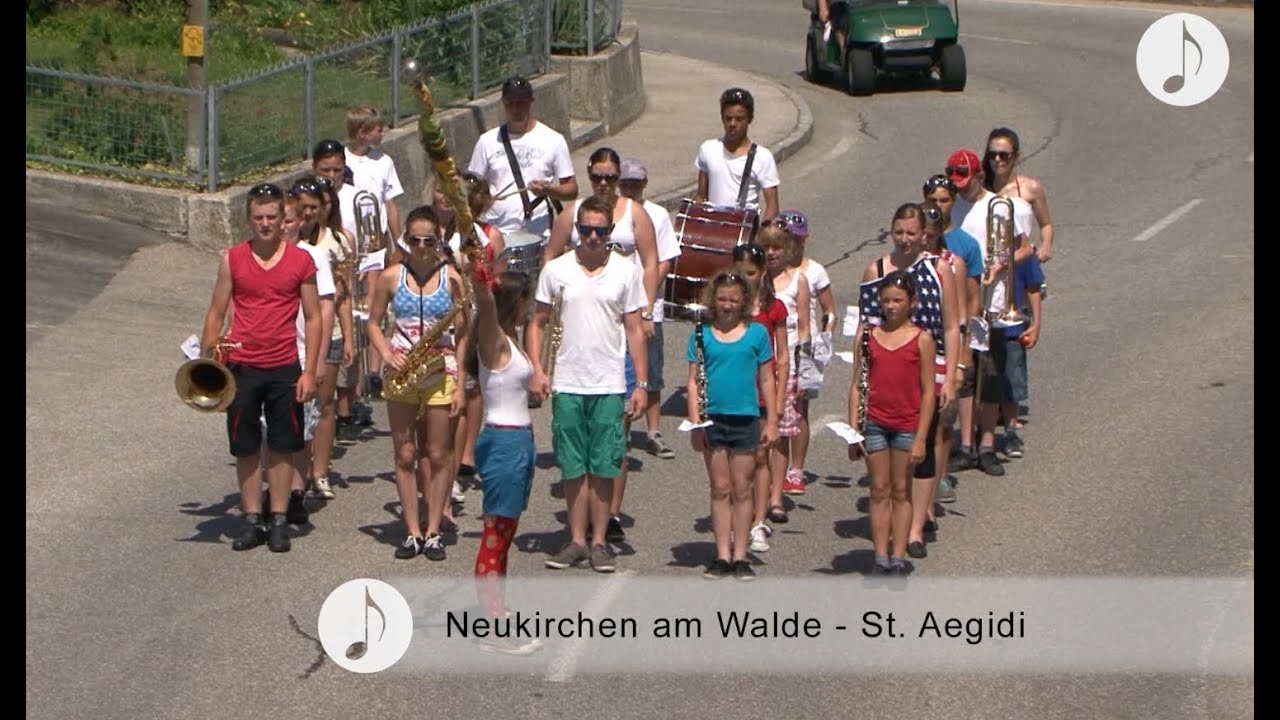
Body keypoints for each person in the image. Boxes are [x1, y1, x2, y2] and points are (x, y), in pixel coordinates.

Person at [527, 196, 649, 574]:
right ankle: (576, 539)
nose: (593, 237)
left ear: (611, 232)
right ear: (576, 230)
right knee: (572, 466)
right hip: (567, 380)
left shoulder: (626, 272)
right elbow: (537, 322)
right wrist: (537, 368)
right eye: (586, 230)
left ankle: (599, 541)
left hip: (608, 382)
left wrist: (641, 383)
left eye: (600, 230)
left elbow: (634, 329)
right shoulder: (557, 270)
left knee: (604, 465)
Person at [545, 147, 659, 544]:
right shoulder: (570, 215)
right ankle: (582, 531)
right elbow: (551, 260)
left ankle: (608, 517)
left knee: (614, 439)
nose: (605, 183)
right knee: (577, 455)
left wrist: (644, 314)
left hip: (621, 328)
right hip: (576, 347)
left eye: (612, 177)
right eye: (598, 177)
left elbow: (651, 262)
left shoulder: (634, 215)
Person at [200, 183, 321, 553]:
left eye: (272, 217)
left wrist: (310, 372)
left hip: (284, 364)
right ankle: (252, 518)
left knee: (285, 446)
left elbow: (314, 318)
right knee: (246, 446)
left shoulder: (301, 261)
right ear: (249, 219)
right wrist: (208, 357)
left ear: (283, 218)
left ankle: (279, 518)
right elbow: (217, 311)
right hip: (241, 367)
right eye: (258, 218)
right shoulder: (233, 259)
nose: (266, 224)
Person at [365, 206, 470, 561]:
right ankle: (412, 531)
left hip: (440, 368)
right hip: (403, 370)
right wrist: (385, 353)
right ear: (405, 241)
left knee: (438, 453)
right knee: (405, 451)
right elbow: (374, 322)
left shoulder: (452, 278)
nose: (422, 247)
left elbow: (464, 329)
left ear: (438, 241)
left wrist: (460, 379)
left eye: (429, 240)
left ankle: (434, 529)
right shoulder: (391, 277)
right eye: (415, 240)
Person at [466, 262, 543, 656]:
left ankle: (498, 612)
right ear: (517, 300)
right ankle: (492, 628)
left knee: (505, 535)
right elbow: (484, 301)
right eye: (527, 299)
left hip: (519, 440)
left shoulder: (508, 338)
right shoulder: (492, 335)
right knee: (494, 537)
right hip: (503, 442)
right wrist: (480, 274)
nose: (532, 307)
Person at [944, 148, 1034, 476]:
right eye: (955, 181)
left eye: (965, 181)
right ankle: (966, 444)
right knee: (966, 376)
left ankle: (986, 444)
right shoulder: (950, 208)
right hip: (962, 304)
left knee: (993, 375)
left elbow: (1025, 247)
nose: (960, 188)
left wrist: (1000, 265)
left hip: (994, 301)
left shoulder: (999, 206)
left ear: (980, 176)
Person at [688, 271, 778, 581]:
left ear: (744, 303)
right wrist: (696, 422)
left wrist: (773, 421)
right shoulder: (702, 334)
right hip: (713, 419)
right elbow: (693, 380)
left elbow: (767, 378)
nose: (727, 305)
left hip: (746, 418)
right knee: (720, 488)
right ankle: (721, 554)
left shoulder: (756, 334)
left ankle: (741, 554)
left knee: (743, 489)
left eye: (733, 300)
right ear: (713, 299)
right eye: (722, 299)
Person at [847, 271, 937, 575]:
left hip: (907, 425)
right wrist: (852, 429)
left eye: (898, 300)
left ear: (912, 302)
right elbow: (857, 384)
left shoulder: (922, 339)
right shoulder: (869, 336)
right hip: (875, 422)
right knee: (878, 489)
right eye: (885, 300)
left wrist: (922, 437)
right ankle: (880, 555)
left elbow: (928, 393)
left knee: (901, 490)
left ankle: (899, 554)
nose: (891, 306)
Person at [467, 76, 578, 262]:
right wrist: (482, 200)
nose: (516, 109)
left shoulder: (554, 140)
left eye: (522, 103)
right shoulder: (487, 142)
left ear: (531, 102)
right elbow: (470, 187)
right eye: (511, 104)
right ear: (503, 103)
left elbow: (571, 189)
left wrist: (549, 189)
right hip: (497, 235)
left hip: (540, 236)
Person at [618, 158, 683, 462]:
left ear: (644, 184)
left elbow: (665, 260)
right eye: (625, 183)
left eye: (635, 183)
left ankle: (654, 431)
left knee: (652, 373)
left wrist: (644, 300)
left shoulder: (656, 215)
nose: (630, 189)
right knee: (622, 372)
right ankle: (623, 430)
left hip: (648, 306)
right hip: (617, 308)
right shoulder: (613, 213)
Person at [732, 242, 790, 549]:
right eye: (739, 272)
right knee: (734, 459)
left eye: (751, 273)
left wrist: (779, 401)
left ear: (762, 272)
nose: (745, 278)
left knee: (760, 456)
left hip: (763, 390)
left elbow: (782, 356)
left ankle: (758, 520)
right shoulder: (728, 306)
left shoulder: (772, 307)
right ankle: (736, 516)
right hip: (735, 390)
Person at [778, 210, 835, 493]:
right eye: (787, 239)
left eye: (797, 240)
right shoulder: (771, 272)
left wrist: (823, 345)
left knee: (799, 410)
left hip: (804, 350)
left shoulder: (814, 271)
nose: (793, 245)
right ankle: (775, 465)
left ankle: (796, 469)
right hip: (775, 352)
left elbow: (830, 311)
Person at [694, 87, 780, 221]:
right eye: (728, 118)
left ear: (749, 119)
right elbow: (701, 196)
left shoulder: (762, 157)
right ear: (722, 118)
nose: (732, 124)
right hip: (711, 230)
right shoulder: (708, 149)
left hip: (744, 232)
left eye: (739, 119)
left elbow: (772, 208)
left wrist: (760, 237)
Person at [983, 127, 1055, 263]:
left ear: (1016, 156)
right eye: (992, 155)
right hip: (989, 262)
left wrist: (1046, 245)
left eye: (1004, 155)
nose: (997, 159)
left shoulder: (1030, 188)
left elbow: (1046, 224)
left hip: (1022, 261)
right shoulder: (980, 188)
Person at [999, 253, 1045, 459]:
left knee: (1013, 377)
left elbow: (1033, 286)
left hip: (1013, 323)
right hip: (985, 323)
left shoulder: (1022, 249)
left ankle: (1010, 431)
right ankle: (980, 434)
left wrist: (1035, 324)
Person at [345, 106, 404, 241]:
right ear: (362, 133)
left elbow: (390, 206)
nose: (383, 134)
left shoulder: (384, 161)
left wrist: (399, 243)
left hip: (378, 236)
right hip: (350, 236)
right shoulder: (341, 161)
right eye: (379, 130)